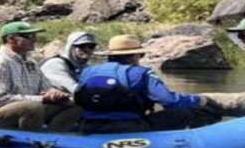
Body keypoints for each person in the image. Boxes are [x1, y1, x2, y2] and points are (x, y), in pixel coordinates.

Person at [74, 35, 211, 133]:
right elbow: (169, 101)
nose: (140, 59)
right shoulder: (141, 73)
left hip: (87, 125)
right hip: (129, 127)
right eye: (140, 55)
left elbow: (78, 98)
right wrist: (198, 99)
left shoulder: (87, 72)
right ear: (132, 56)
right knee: (186, 113)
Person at [0, 21, 81, 131]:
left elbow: (45, 88)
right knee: (32, 107)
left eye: (35, 36)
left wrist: (55, 94)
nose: (34, 40)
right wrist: (42, 99)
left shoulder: (31, 63)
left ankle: (53, 137)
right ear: (11, 39)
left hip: (26, 108)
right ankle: (31, 141)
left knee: (74, 106)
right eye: (29, 36)